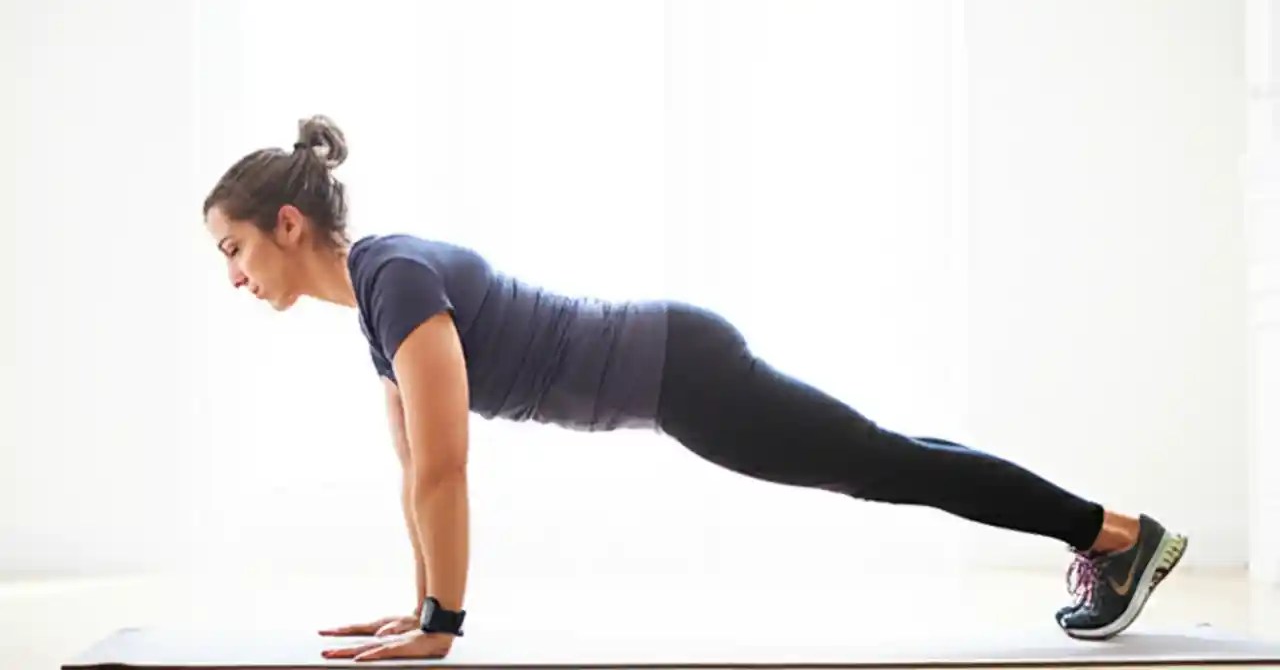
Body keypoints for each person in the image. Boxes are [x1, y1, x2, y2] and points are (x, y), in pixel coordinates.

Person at [202, 115, 1188, 663]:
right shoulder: (381, 302)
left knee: (886, 465)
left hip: (682, 370)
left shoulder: (394, 279)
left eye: (234, 249)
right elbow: (416, 471)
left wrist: (441, 626)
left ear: (288, 224)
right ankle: (1107, 535)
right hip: (677, 373)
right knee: (887, 460)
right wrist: (420, 607)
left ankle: (1114, 535)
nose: (235, 276)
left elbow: (445, 469)